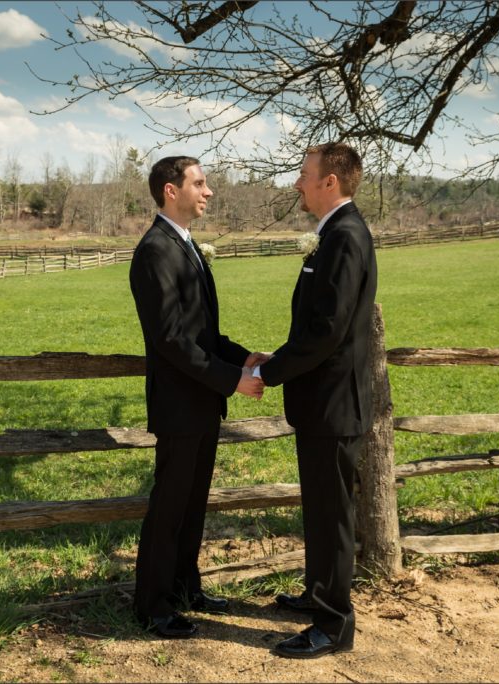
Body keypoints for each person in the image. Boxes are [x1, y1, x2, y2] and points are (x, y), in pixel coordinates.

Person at [129, 155, 265, 639]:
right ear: (171, 190)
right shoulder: (155, 251)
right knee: (170, 506)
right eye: (200, 183)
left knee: (192, 504)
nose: (208, 192)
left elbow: (204, 333)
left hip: (202, 400)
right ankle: (153, 605)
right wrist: (232, 379)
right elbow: (170, 340)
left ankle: (187, 588)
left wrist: (246, 357)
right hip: (181, 403)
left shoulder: (185, 245)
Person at [253, 142, 377, 658]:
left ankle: (333, 625)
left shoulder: (345, 237)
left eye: (305, 174)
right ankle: (317, 595)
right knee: (321, 509)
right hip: (321, 403)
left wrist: (269, 371)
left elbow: (326, 330)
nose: (298, 183)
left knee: (332, 516)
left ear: (331, 182)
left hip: (333, 405)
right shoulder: (333, 235)